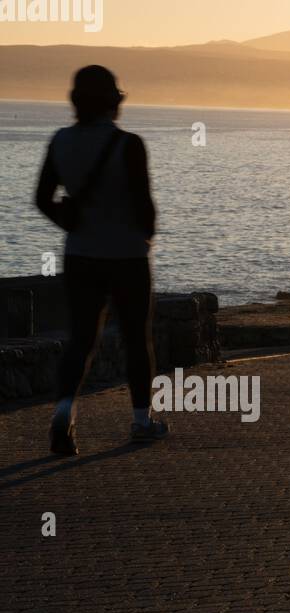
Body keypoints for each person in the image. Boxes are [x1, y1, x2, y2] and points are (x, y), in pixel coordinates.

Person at [35, 65, 167, 455]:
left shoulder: (60, 141)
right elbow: (144, 205)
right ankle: (141, 420)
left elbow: (42, 198)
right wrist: (145, 231)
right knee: (136, 340)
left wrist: (70, 221)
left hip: (80, 255)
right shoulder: (129, 145)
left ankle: (63, 413)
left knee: (80, 339)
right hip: (127, 254)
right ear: (113, 102)